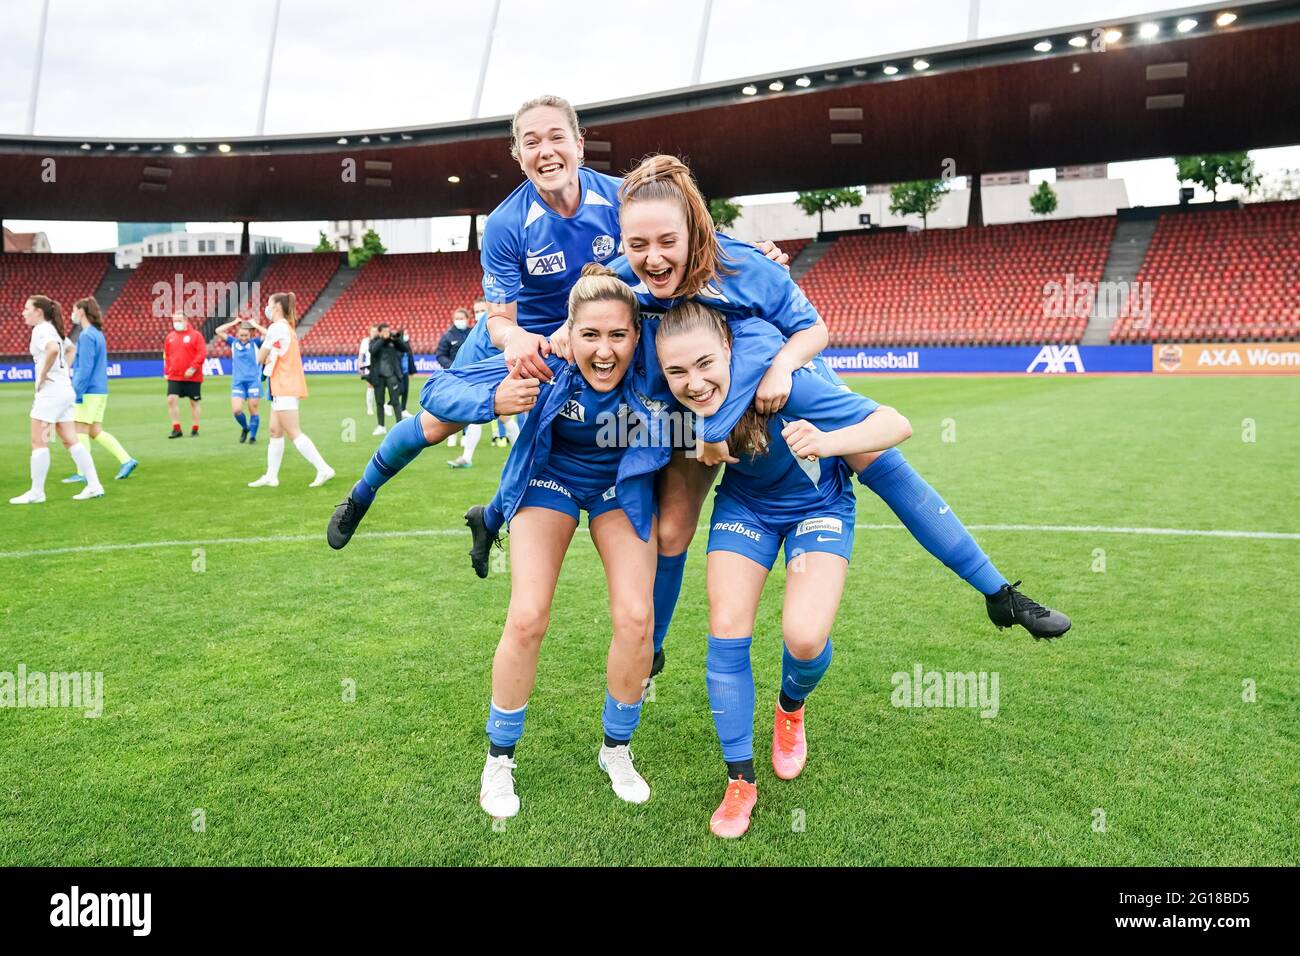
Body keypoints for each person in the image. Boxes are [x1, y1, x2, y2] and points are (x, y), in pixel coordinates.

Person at [610, 154, 1071, 645]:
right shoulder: (623, 277)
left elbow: (814, 329)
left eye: (667, 241)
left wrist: (784, 368)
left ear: (693, 230)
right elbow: (579, 321)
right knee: (673, 531)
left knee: (879, 458)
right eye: (639, 244)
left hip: (775, 379)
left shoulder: (743, 263)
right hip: (697, 400)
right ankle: (651, 646)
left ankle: (998, 592)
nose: (653, 257)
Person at [326, 93, 788, 549]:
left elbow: (688, 234)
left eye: (556, 137)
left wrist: (754, 256)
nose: (545, 151)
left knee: (625, 417)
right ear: (519, 156)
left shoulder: (619, 198)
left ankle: (492, 519)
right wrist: (517, 340)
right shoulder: (507, 224)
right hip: (527, 335)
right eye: (531, 142)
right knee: (436, 422)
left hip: (595, 333)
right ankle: (360, 496)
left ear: (580, 144)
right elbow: (498, 320)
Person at [654, 300, 913, 837]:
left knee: (804, 637)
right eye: (676, 371)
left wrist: (828, 442)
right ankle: (739, 781)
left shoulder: (786, 384)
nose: (695, 383)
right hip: (745, 507)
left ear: (729, 350)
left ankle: (790, 708)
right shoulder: (677, 406)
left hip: (819, 506)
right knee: (726, 632)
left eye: (705, 364)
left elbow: (896, 423)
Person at [443, 265, 666, 819]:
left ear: (637, 335)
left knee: (638, 619)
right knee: (527, 615)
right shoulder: (544, 359)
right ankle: (498, 758)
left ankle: (616, 748)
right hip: (551, 482)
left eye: (618, 334)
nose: (606, 350)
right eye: (590, 334)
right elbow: (440, 387)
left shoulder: (657, 363)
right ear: (569, 332)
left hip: (621, 486)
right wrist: (494, 401)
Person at [10, 295, 105, 503]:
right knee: (70, 439)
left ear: (39, 312)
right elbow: (70, 349)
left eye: (27, 308)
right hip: (65, 391)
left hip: (51, 395)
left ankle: (37, 492)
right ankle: (94, 485)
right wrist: (62, 372)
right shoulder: (53, 329)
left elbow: (53, 349)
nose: (23, 312)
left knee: (39, 441)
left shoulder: (41, 329)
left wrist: (43, 375)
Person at [247, 293, 335, 489]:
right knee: (274, 431)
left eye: (269, 304)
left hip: (284, 386)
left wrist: (265, 354)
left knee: (294, 432)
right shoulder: (286, 328)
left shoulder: (277, 328)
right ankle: (271, 475)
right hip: (283, 386)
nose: (267, 308)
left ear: (277, 307)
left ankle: (323, 468)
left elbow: (260, 357)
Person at [61, 297, 138, 484]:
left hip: (88, 390)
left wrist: (76, 392)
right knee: (95, 430)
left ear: (81, 312)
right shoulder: (97, 334)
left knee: (79, 429)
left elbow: (84, 369)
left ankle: (83, 472)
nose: (72, 314)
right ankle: (126, 460)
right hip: (99, 389)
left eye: (74, 310)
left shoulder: (87, 335)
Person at [214, 317, 268, 443]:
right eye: (241, 335)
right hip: (238, 382)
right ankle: (246, 428)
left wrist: (256, 324)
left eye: (246, 335)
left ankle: (253, 437)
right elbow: (218, 330)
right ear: (237, 334)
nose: (243, 338)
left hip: (253, 381)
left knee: (253, 409)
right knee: (237, 410)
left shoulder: (256, 343)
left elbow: (269, 334)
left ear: (251, 334)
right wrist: (233, 323)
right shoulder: (233, 342)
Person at [164, 310, 205, 438]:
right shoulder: (170, 337)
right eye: (175, 321)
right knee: (171, 400)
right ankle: (176, 428)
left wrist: (193, 368)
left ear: (186, 321)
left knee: (194, 402)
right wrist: (166, 371)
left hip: (192, 376)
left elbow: (201, 353)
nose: (177, 323)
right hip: (175, 375)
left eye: (179, 320)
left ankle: (195, 428)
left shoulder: (196, 335)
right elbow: (166, 355)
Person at [368, 324, 410, 436]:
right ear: (380, 332)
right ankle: (381, 426)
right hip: (378, 377)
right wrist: (383, 339)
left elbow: (405, 349)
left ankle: (399, 426)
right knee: (379, 402)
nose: (387, 333)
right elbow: (373, 350)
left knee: (396, 401)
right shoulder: (374, 341)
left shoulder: (393, 342)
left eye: (388, 331)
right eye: (385, 331)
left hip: (392, 376)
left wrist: (396, 340)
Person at [358, 325, 378, 418]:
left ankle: (385, 406)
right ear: (369, 332)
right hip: (369, 366)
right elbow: (361, 354)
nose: (374, 333)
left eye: (376, 331)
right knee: (370, 386)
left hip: (380, 366)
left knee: (383, 386)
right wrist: (360, 364)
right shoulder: (365, 341)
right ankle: (369, 408)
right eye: (372, 331)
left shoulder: (380, 341)